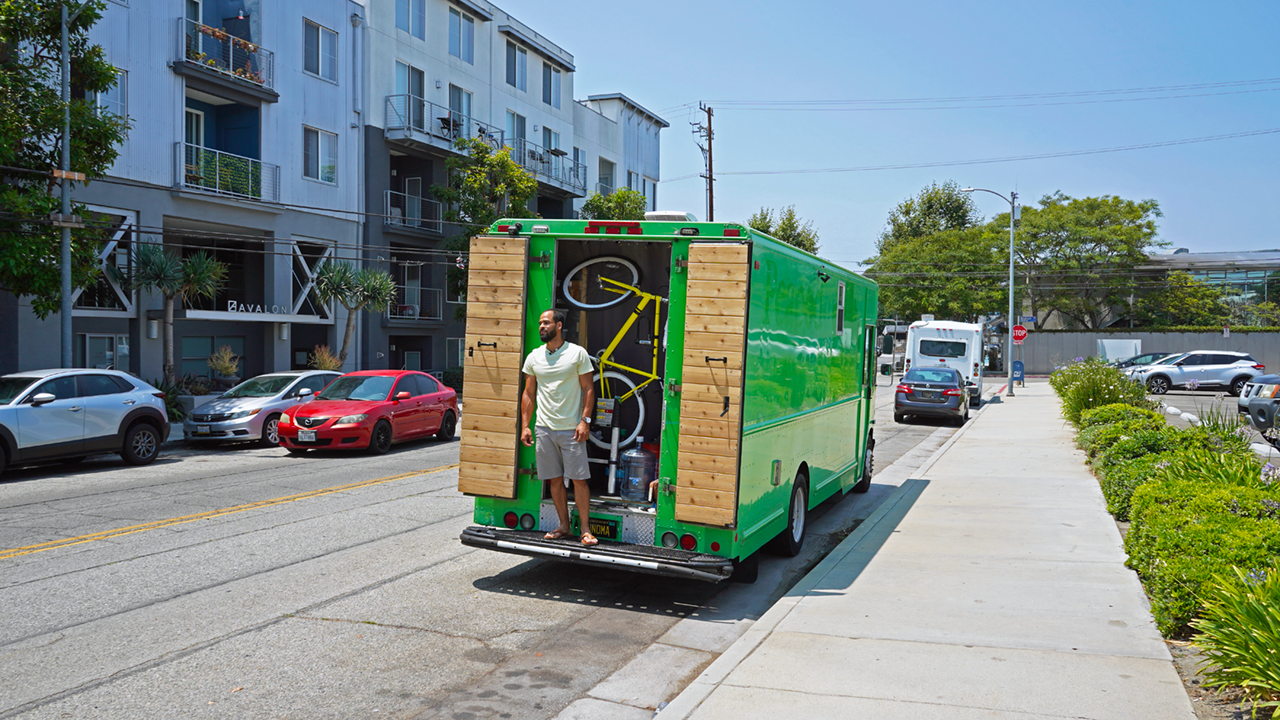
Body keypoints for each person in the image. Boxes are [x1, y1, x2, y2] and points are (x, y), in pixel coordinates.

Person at [521, 309, 598, 545]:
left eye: (546, 322)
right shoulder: (534, 357)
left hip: (571, 430)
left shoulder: (577, 353)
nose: (541, 327)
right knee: (554, 479)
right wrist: (526, 425)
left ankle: (585, 529)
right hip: (544, 428)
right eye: (540, 323)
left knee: (578, 480)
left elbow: (589, 389)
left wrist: (584, 421)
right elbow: (528, 393)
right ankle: (564, 526)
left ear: (559, 325)